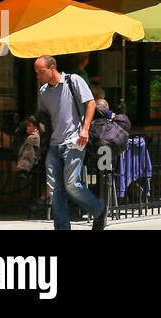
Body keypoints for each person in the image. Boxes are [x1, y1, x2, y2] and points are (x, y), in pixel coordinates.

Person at [34, 55, 107, 231]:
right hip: (53, 145)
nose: (38, 76)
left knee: (71, 184)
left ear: (52, 68)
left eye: (40, 71)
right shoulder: (43, 92)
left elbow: (90, 104)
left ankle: (99, 210)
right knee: (55, 190)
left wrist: (85, 129)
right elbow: (43, 117)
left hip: (74, 141)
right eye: (36, 72)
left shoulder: (73, 80)